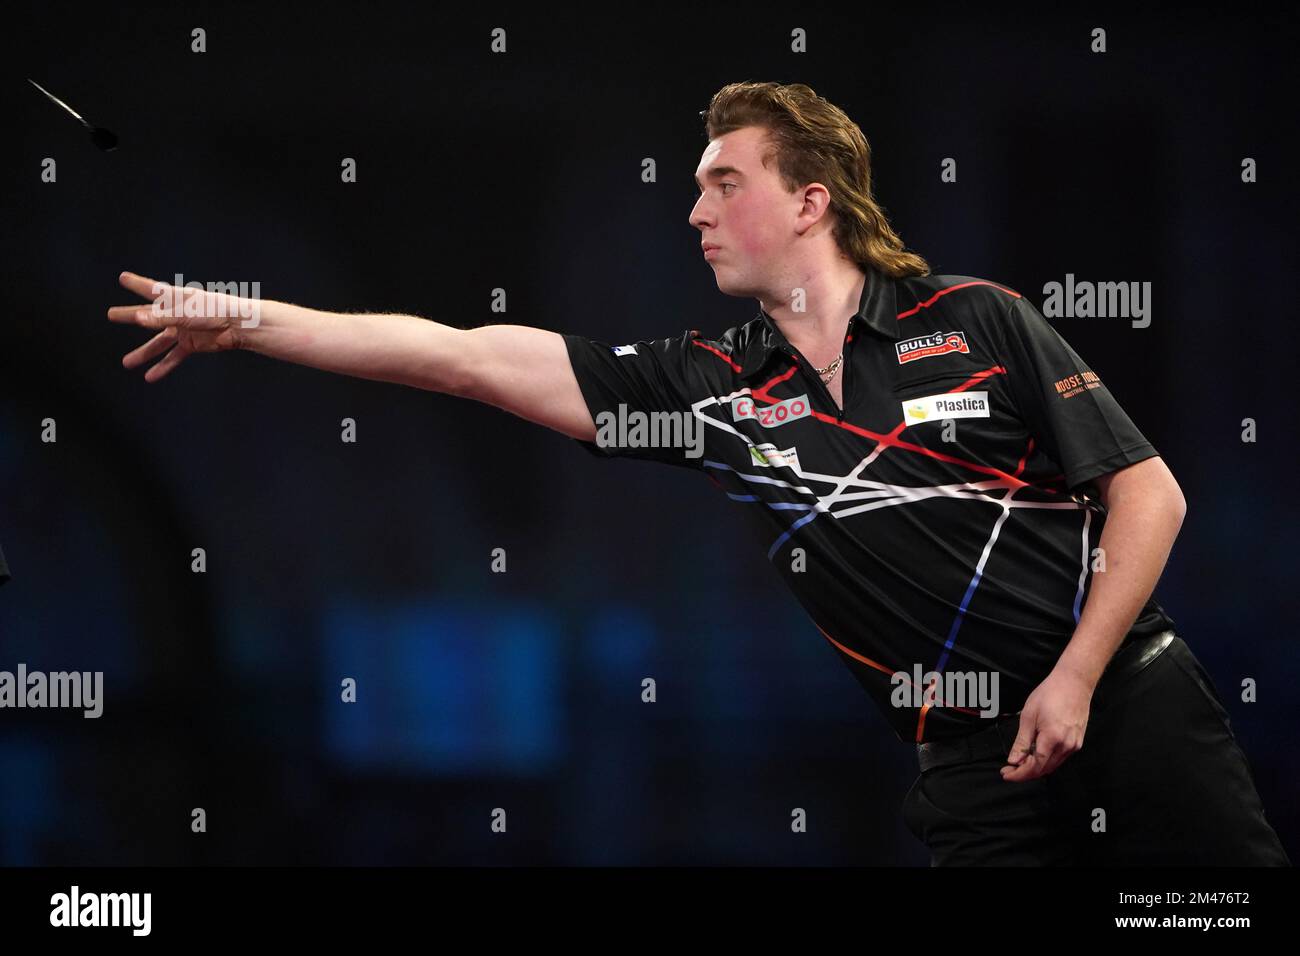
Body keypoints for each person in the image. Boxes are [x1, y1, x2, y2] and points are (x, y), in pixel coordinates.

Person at [106, 81, 1289, 866]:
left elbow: (1151, 493)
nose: (694, 211)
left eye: (724, 182)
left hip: (1128, 700)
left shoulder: (977, 320)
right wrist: (248, 320)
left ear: (811, 200)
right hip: (969, 758)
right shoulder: (706, 386)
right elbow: (463, 359)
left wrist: (1075, 677)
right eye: (693, 185)